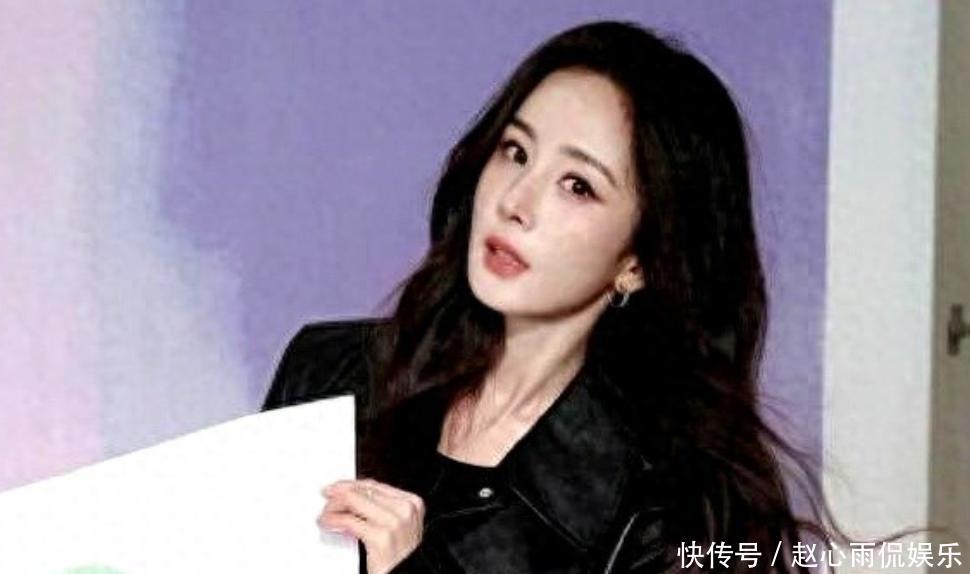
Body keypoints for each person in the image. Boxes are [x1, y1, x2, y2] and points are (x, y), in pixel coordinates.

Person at [263, 20, 851, 574]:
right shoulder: (329, 373)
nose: (515, 202)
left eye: (577, 186)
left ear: (638, 262)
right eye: (516, 152)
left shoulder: (669, 509)